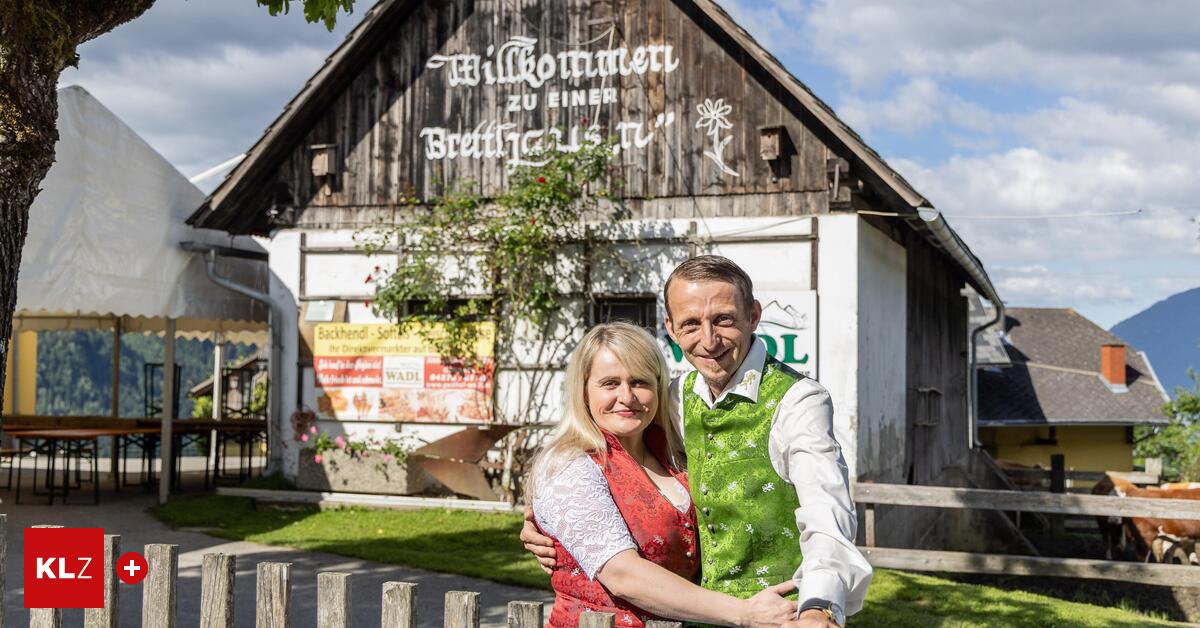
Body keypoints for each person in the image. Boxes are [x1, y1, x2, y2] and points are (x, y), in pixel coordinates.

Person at [524, 256, 872, 627]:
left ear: (753, 315)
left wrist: (819, 605)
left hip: (784, 617)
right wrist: (546, 521)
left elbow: (827, 514)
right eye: (691, 323)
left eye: (723, 319)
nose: (708, 341)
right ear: (671, 328)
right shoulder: (676, 398)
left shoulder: (797, 401)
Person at [530, 321, 797, 627]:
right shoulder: (569, 464)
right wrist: (744, 613)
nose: (627, 396)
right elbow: (623, 575)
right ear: (584, 391)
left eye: (641, 382)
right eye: (609, 384)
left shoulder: (672, 454)